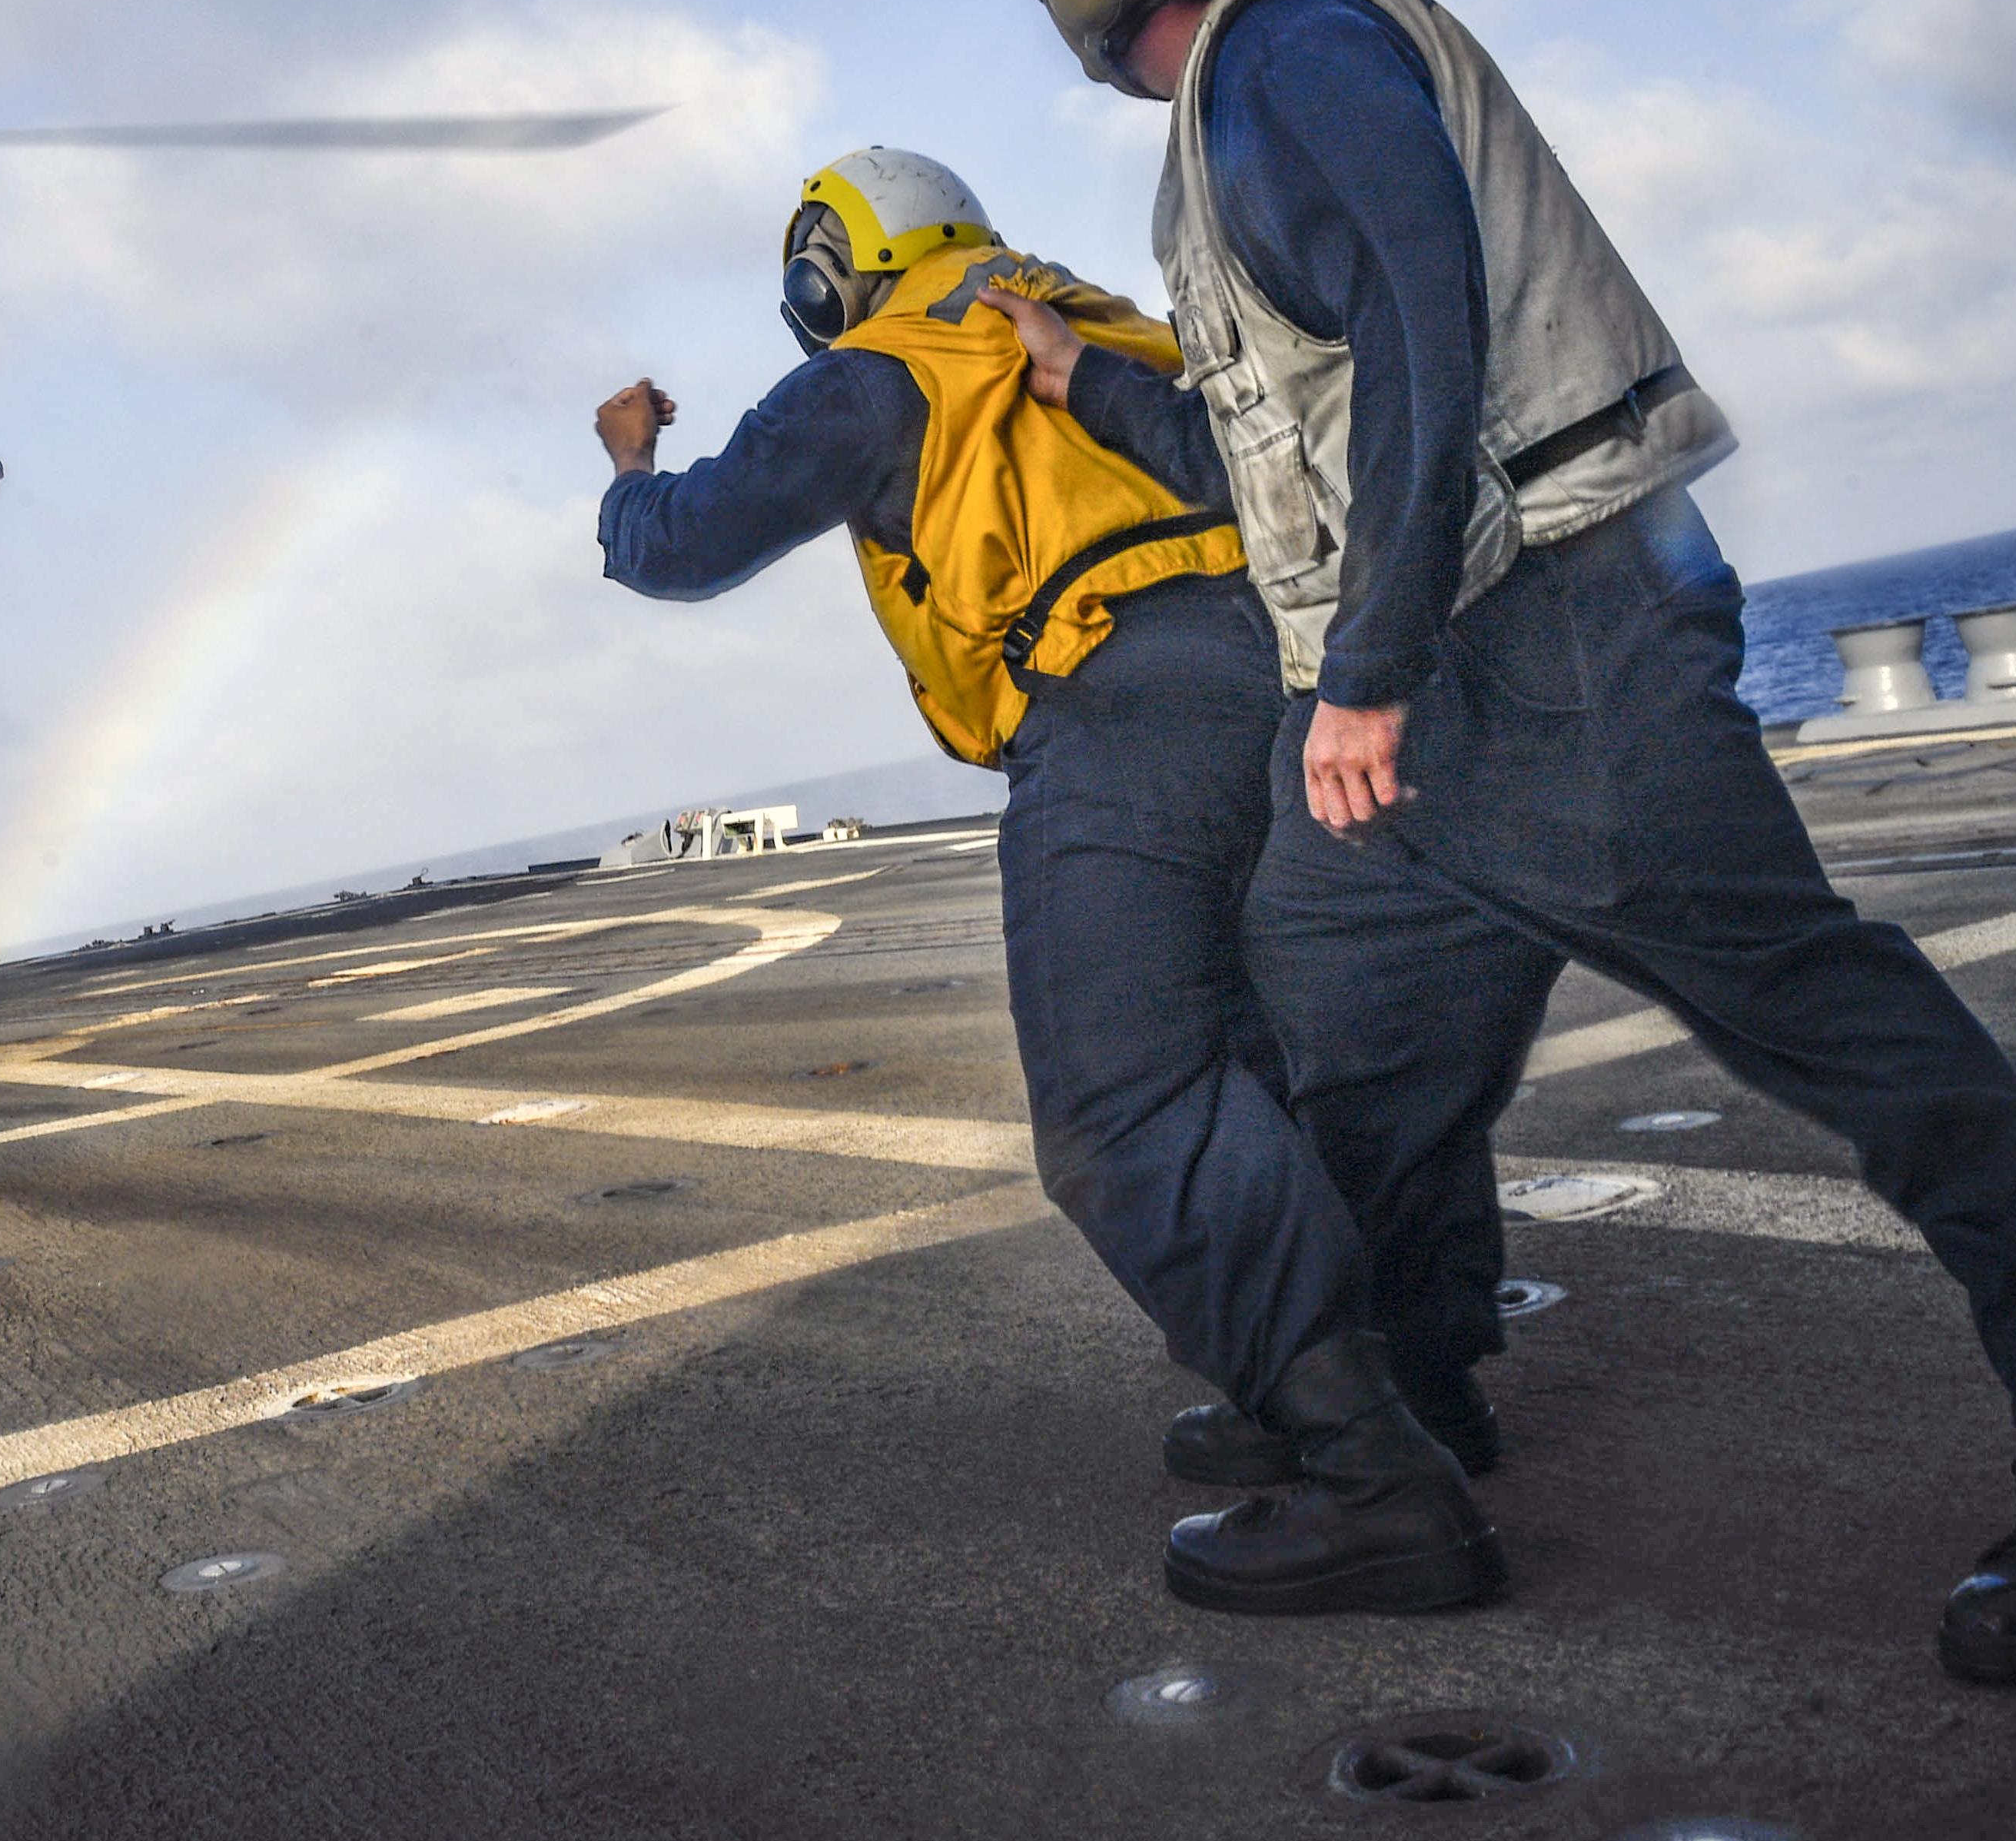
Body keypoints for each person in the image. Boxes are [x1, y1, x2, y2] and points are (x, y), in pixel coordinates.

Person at [988, 0, 2016, 1683]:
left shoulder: (1291, 48)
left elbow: (1428, 318)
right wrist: (1086, 387)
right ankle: (1393, 1443)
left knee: (1812, 1015)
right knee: (1346, 1047)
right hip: (1430, 694)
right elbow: (1297, 458)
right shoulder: (1229, 124)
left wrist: (1372, 663)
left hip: (1550, 637)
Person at [593, 146, 1505, 1615]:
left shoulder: (879, 368)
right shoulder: (1092, 316)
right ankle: (1421, 1393)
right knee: (1284, 1061)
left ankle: (1375, 1483)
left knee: (1127, 1103)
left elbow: (685, 548)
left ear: (826, 273)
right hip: (1303, 679)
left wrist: (630, 462)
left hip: (1121, 704)